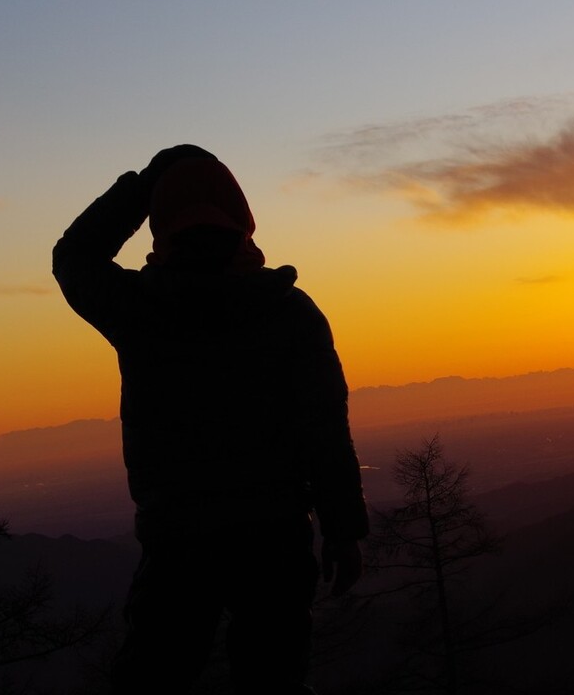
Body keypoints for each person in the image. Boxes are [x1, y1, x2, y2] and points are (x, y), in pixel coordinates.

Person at [53, 144, 368, 694]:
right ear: (244, 220)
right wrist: (342, 531)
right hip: (275, 534)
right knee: (272, 680)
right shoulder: (289, 311)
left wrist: (147, 181)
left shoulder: (142, 307)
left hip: (177, 538)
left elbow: (75, 256)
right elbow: (325, 432)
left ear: (161, 221)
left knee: (154, 678)